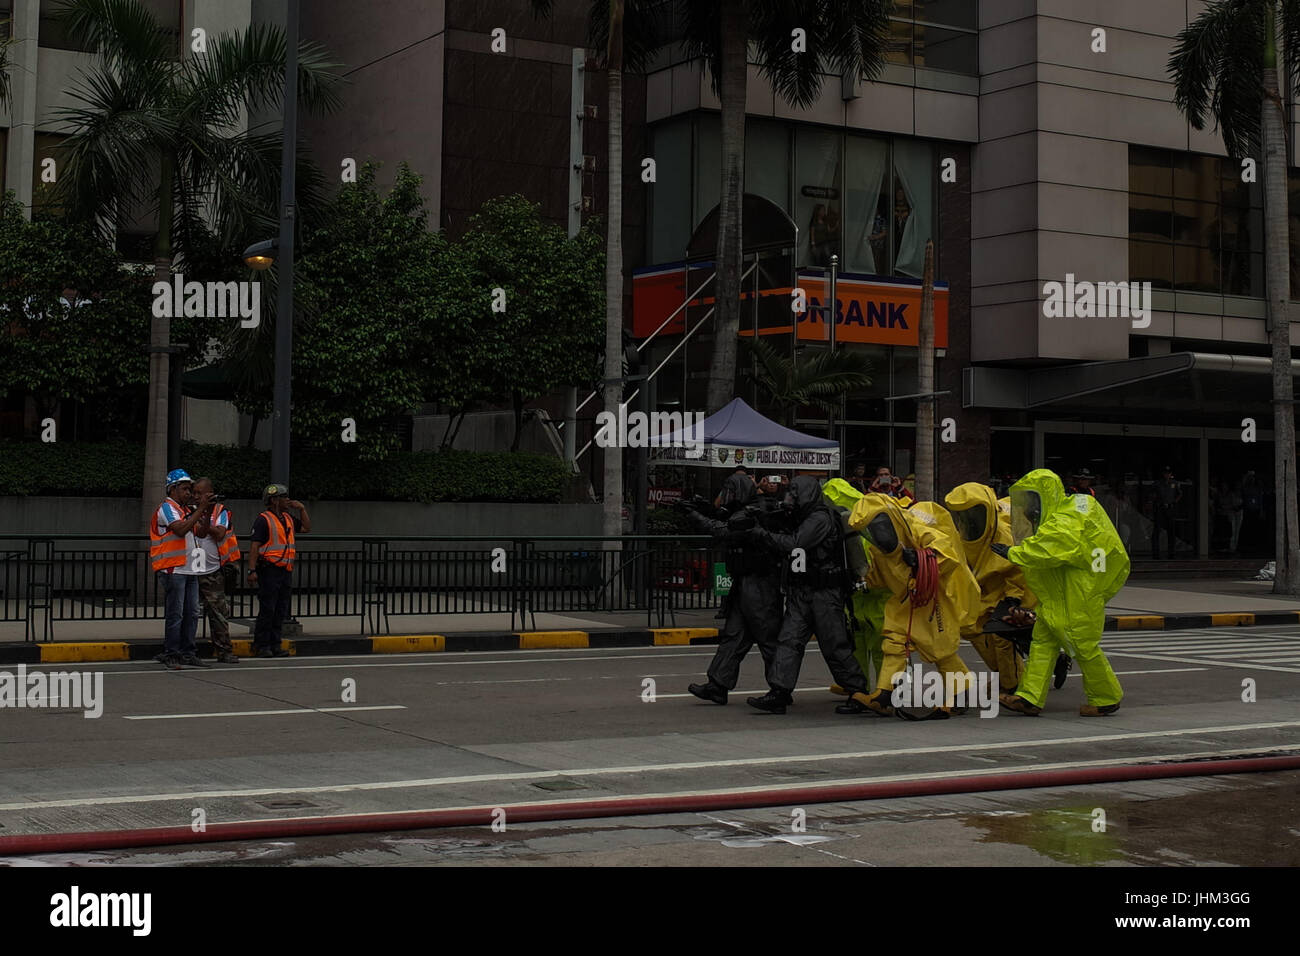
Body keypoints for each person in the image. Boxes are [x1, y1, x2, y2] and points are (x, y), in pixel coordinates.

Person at [996, 469, 1129, 717]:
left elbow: (1053, 546)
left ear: (1045, 496)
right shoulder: (1064, 511)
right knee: (1043, 642)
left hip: (1078, 591)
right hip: (1059, 592)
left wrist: (1012, 553)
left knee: (1083, 645)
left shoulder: (1069, 517)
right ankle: (1029, 697)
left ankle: (1106, 698)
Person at [743, 475, 872, 715]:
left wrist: (760, 533)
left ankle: (859, 692)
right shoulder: (804, 517)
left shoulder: (819, 519)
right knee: (789, 641)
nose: (790, 498)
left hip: (825, 592)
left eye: (794, 493)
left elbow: (795, 544)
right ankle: (779, 692)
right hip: (803, 590)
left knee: (834, 644)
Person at [847, 493, 983, 719]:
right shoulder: (878, 549)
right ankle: (884, 695)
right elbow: (881, 577)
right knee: (893, 643)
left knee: (941, 651)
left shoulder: (919, 530)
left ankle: (962, 692)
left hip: (931, 599)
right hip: (904, 603)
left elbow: (948, 557)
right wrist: (861, 578)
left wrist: (922, 559)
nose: (878, 533)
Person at [681, 473, 785, 704]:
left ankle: (780, 689)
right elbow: (723, 518)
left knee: (767, 638)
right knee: (734, 635)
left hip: (760, 582)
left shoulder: (754, 512)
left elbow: (723, 530)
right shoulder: (748, 508)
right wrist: (704, 508)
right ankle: (718, 684)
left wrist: (694, 514)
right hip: (747, 581)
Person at [944, 482, 1038, 695]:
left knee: (1001, 637)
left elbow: (1018, 573)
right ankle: (1004, 675)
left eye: (973, 514)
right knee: (971, 629)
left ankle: (1012, 684)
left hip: (1008, 593)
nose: (969, 520)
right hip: (982, 595)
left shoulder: (1004, 536)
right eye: (963, 515)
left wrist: (1013, 600)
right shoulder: (962, 537)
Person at [823, 478, 890, 693]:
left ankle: (886, 690)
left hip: (876, 594)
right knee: (858, 643)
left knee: (881, 644)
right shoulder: (851, 522)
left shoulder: (865, 522)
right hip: (860, 595)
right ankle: (860, 687)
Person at [149, 469, 209, 670]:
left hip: (189, 569)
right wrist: (199, 509)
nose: (188, 493)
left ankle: (188, 652)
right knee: (177, 614)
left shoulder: (185, 510)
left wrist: (205, 512)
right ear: (172, 489)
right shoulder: (167, 508)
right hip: (173, 569)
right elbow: (181, 529)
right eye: (184, 489)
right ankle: (172, 653)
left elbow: (200, 532)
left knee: (192, 612)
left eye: (189, 489)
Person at [247, 484, 312, 658]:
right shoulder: (264, 519)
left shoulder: (288, 518)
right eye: (284, 497)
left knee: (280, 610)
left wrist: (302, 509)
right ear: (274, 500)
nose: (288, 500)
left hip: (285, 570)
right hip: (269, 570)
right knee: (268, 609)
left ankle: (275, 644)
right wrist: (251, 570)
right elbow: (255, 546)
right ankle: (262, 645)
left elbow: (306, 528)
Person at [191, 477, 241, 664]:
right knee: (189, 613)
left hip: (212, 570)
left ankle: (224, 651)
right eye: (194, 493)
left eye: (199, 493)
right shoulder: (188, 510)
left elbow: (220, 533)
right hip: (191, 569)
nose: (195, 497)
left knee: (218, 613)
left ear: (209, 493)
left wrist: (204, 515)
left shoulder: (221, 511)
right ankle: (186, 650)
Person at [1151, 465, 1182, 559]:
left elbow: (1180, 494)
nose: (1167, 475)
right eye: (1165, 473)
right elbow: (1152, 494)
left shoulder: (1174, 483)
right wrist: (1155, 502)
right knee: (1157, 531)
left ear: (1170, 474)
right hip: (1160, 508)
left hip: (1170, 509)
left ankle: (1171, 553)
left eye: (1168, 473)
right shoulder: (1158, 483)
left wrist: (1174, 502)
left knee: (1171, 531)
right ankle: (1156, 553)